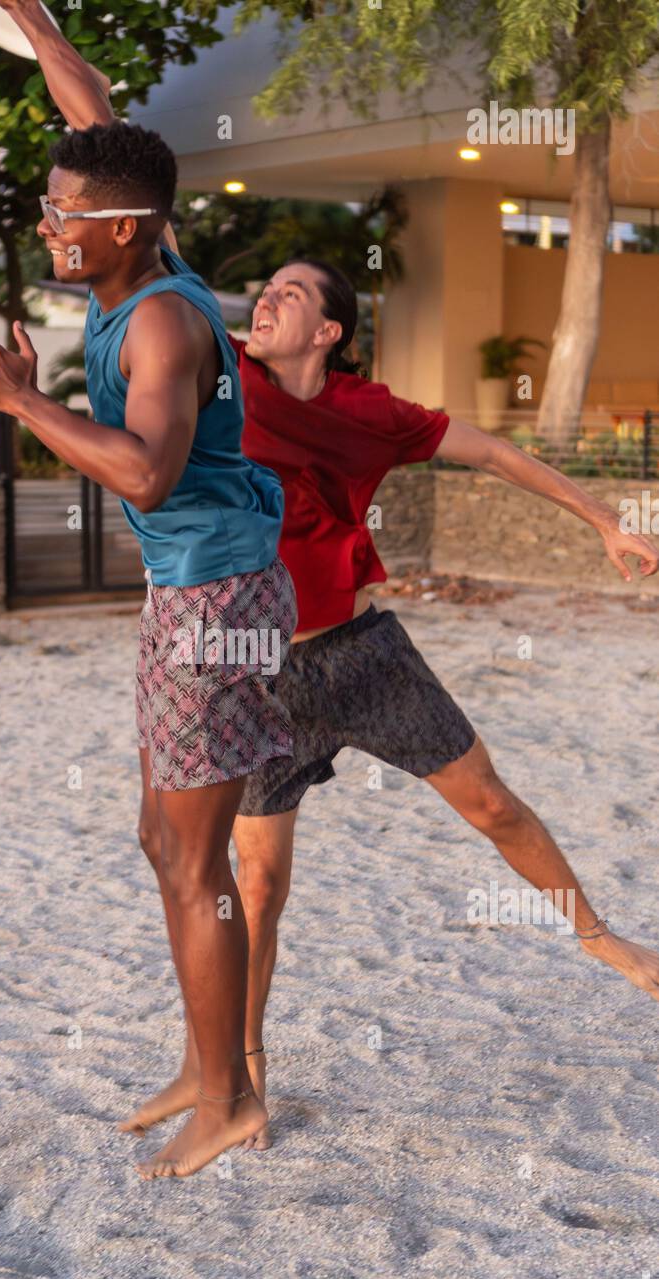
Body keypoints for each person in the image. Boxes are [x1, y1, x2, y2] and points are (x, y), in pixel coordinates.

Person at [122, 250, 659, 1152]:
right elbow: (156, 257)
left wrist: (605, 521)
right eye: (267, 288)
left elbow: (493, 453)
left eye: (291, 293)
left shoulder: (370, 413)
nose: (268, 300)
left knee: (491, 804)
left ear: (328, 331)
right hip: (258, 669)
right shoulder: (221, 372)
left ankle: (601, 936)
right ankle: (244, 1073)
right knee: (258, 885)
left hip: (363, 655)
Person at [0, 1, 298, 1179]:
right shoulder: (147, 249)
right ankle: (205, 1063)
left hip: (217, 606)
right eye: (49, 206)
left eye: (65, 217)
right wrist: (34, 21)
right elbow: (90, 111)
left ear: (126, 230)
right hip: (190, 592)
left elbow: (144, 468)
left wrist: (21, 401)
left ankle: (230, 1098)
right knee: (163, 838)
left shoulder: (160, 328)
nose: (49, 225)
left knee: (195, 863)